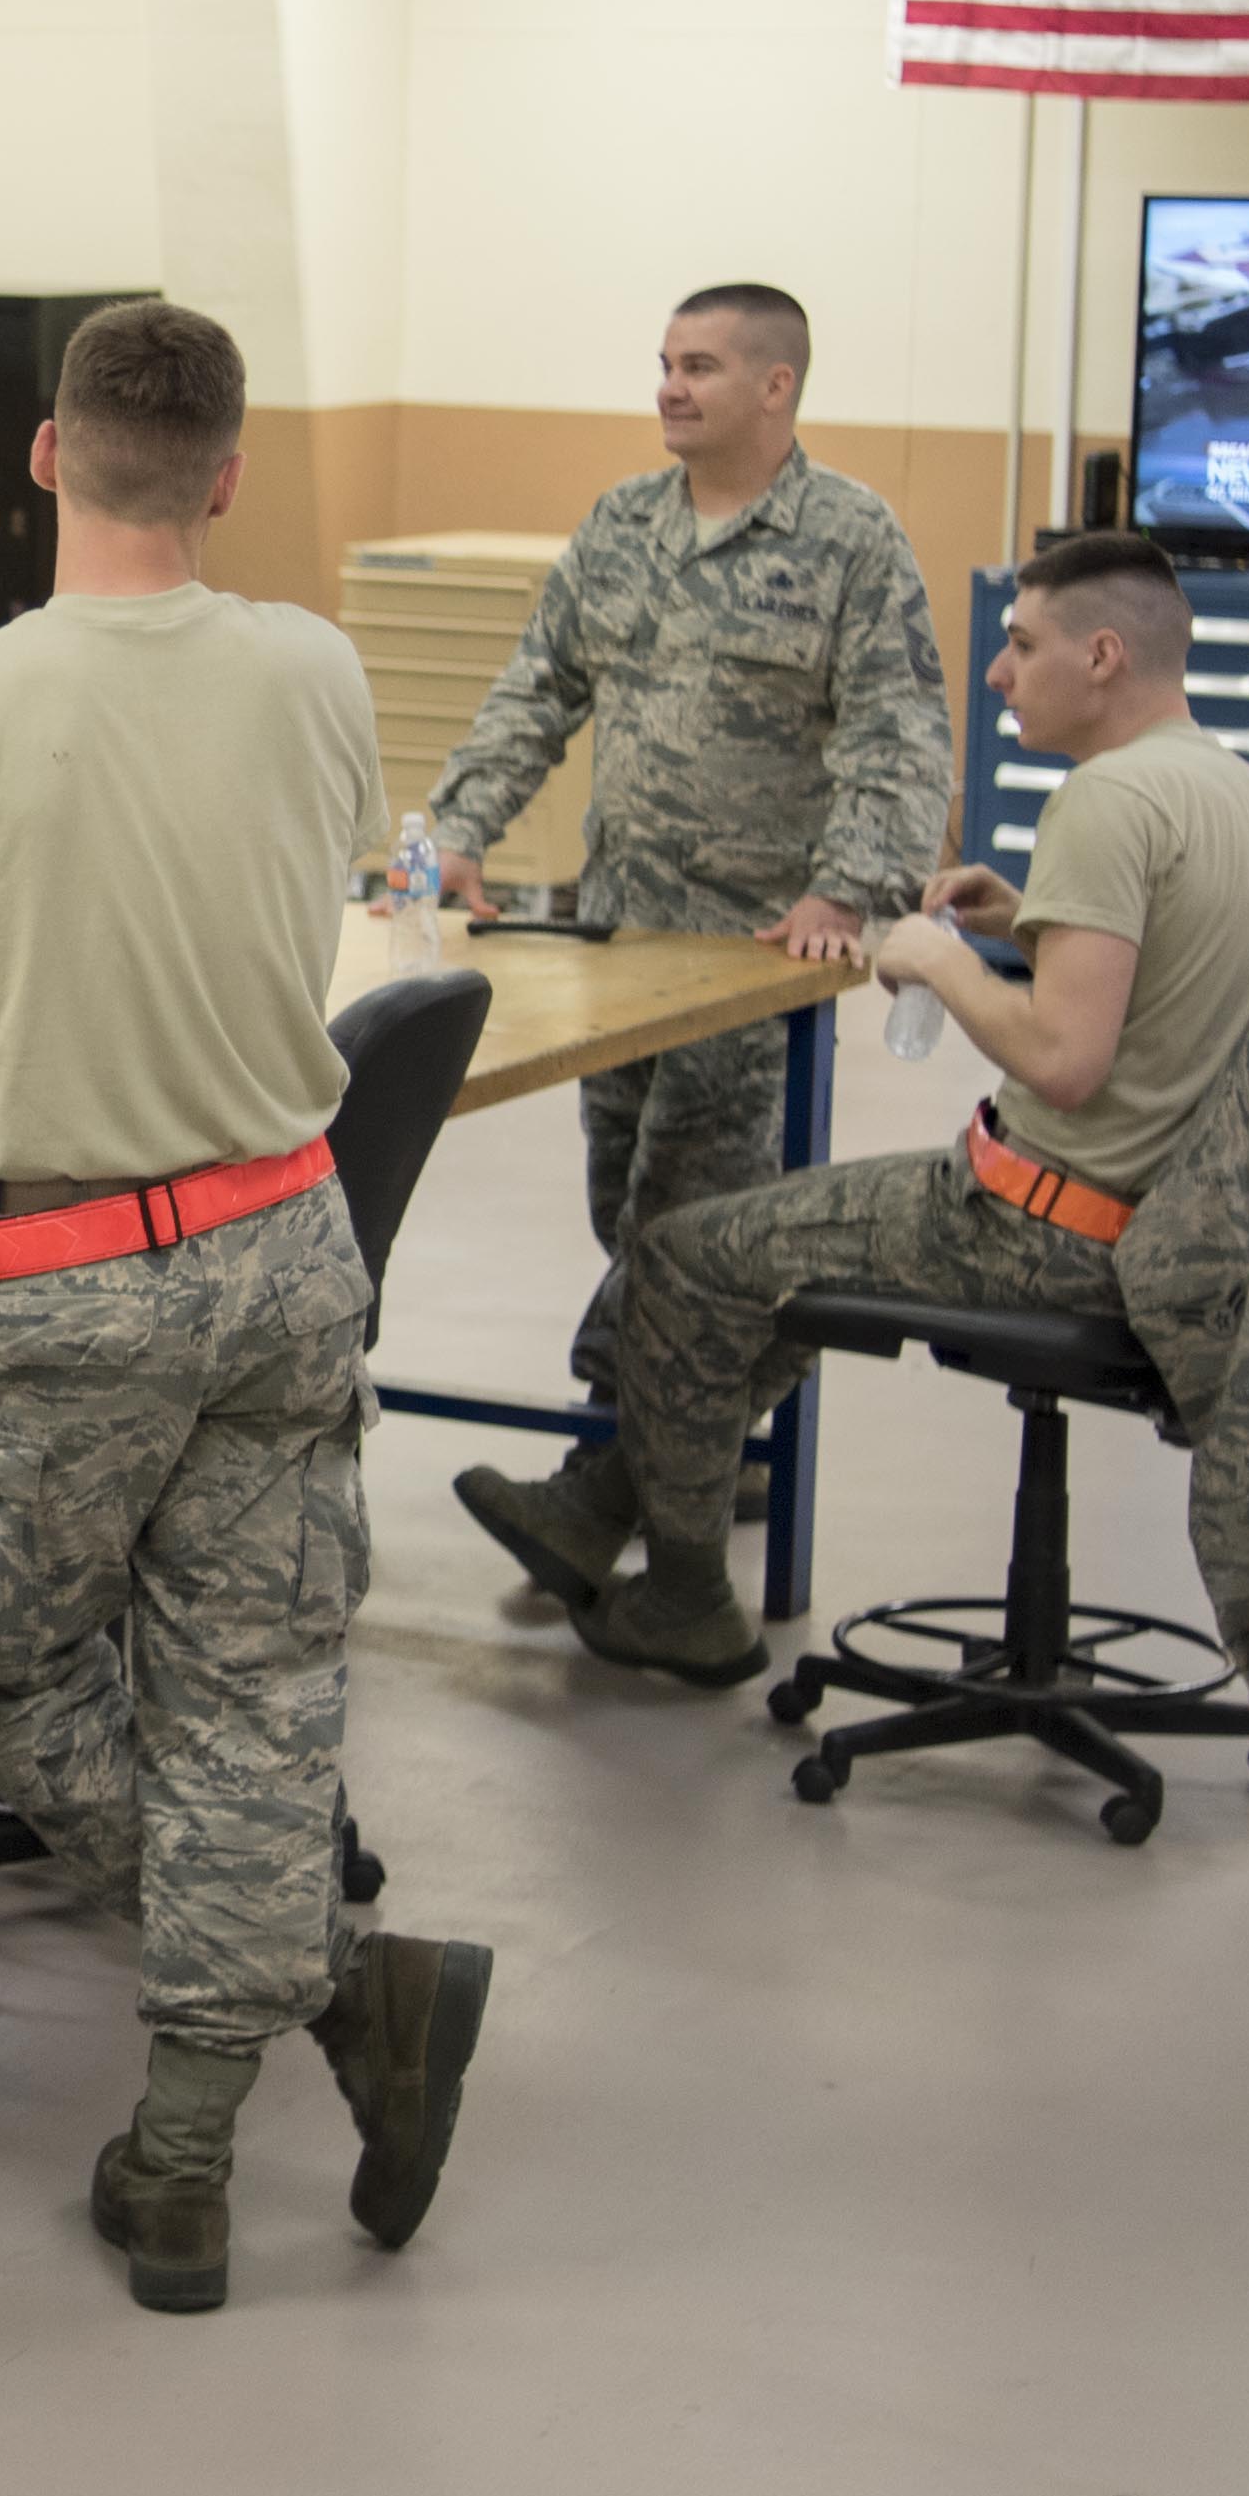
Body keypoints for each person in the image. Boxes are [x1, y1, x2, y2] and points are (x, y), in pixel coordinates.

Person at [0, 303, 495, 2320]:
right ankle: (180, 2164)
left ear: (38, 458)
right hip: (287, 1240)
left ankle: (305, 2000)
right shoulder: (312, 664)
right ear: (222, 472)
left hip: (65, 1277)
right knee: (258, 1692)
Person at [553, 533, 1249, 1687]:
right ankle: (600, 1502)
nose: (998, 674)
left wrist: (936, 960)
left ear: (1102, 655)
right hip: (1185, 1235)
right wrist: (1029, 919)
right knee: (762, 1256)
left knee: (683, 1256)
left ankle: (680, 1597)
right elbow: (1169, 976)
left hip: (1051, 1235)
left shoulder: (1106, 803)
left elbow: (1063, 1062)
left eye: (1021, 647)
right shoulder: (1235, 791)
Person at [421, 282, 951, 1594]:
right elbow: (535, 689)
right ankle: (677, 1448)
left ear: (775, 386)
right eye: (663, 362)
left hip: (753, 962)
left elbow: (899, 738)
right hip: (620, 941)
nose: (669, 385)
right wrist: (458, 827)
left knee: (683, 1224)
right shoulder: (620, 527)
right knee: (627, 1207)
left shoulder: (848, 540)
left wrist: (848, 888)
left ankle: (622, 1481)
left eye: (700, 365)